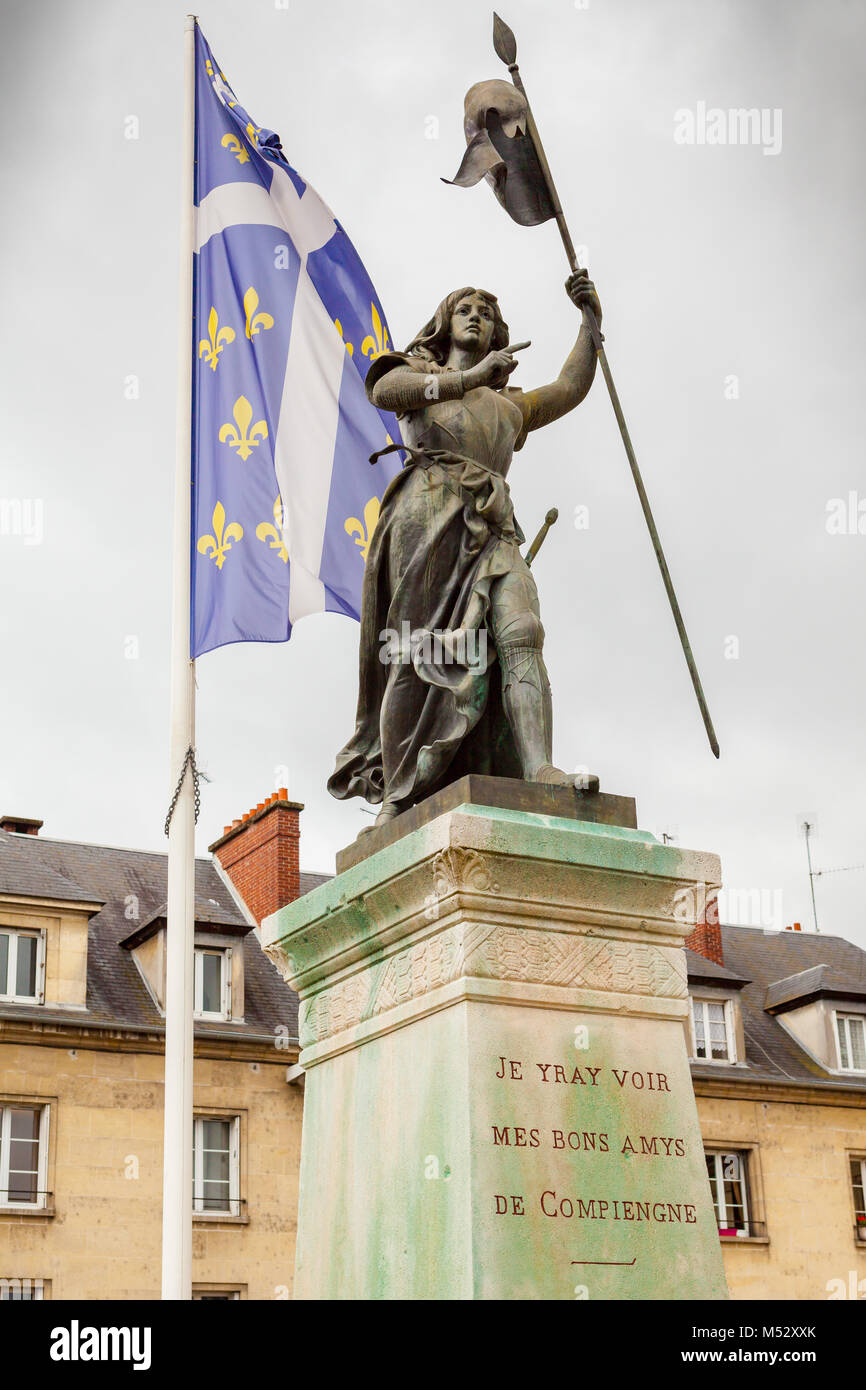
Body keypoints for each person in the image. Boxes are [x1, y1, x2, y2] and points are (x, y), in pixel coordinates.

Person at [328, 269, 602, 826]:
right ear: (444, 325)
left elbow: (570, 388)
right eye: (464, 308)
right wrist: (470, 377)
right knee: (415, 652)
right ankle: (399, 792)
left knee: (522, 630)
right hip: (427, 516)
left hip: (494, 526)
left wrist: (590, 323)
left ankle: (539, 767)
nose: (477, 314)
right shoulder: (419, 374)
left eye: (486, 310)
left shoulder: (509, 407)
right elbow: (383, 390)